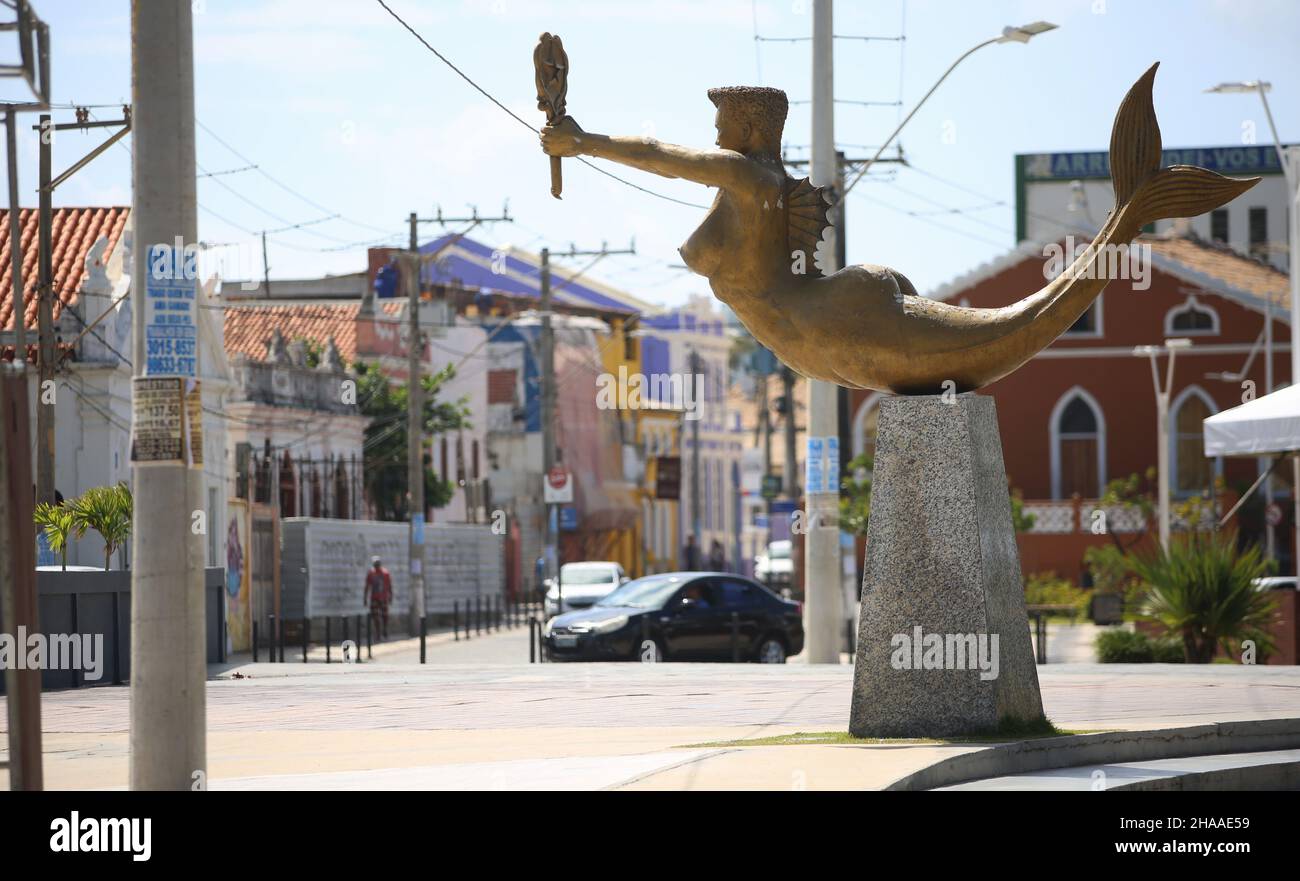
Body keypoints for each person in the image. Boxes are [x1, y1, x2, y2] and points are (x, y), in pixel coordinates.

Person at [364, 555, 393, 641]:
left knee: (384, 616)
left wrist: (390, 596)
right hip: (374, 598)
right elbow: (367, 586)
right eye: (375, 564)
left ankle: (384, 629)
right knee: (375, 616)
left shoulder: (385, 573)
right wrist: (365, 598)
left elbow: (389, 586)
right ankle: (378, 633)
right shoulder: (371, 573)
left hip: (383, 597)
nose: (376, 566)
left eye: (377, 564)